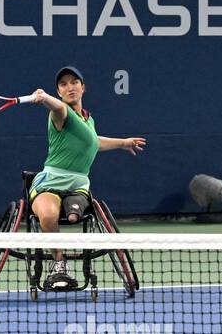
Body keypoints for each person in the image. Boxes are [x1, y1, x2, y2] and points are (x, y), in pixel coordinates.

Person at [28, 66, 145, 287]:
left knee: (74, 217)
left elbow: (94, 142)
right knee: (49, 215)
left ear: (83, 87)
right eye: (63, 84)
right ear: (59, 91)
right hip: (50, 183)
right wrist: (44, 98)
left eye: (74, 82)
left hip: (78, 185)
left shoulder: (88, 119)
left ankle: (72, 230)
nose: (70, 87)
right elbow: (57, 107)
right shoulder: (60, 113)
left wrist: (123, 143)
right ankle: (60, 265)